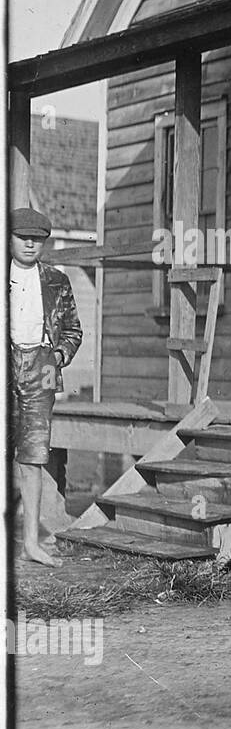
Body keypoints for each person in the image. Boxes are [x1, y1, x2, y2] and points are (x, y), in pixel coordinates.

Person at [9, 208, 81, 567]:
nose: (29, 243)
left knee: (34, 457)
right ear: (10, 238)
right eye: (23, 237)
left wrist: (57, 355)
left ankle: (31, 544)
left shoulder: (56, 280)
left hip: (41, 369)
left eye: (36, 238)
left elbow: (73, 331)